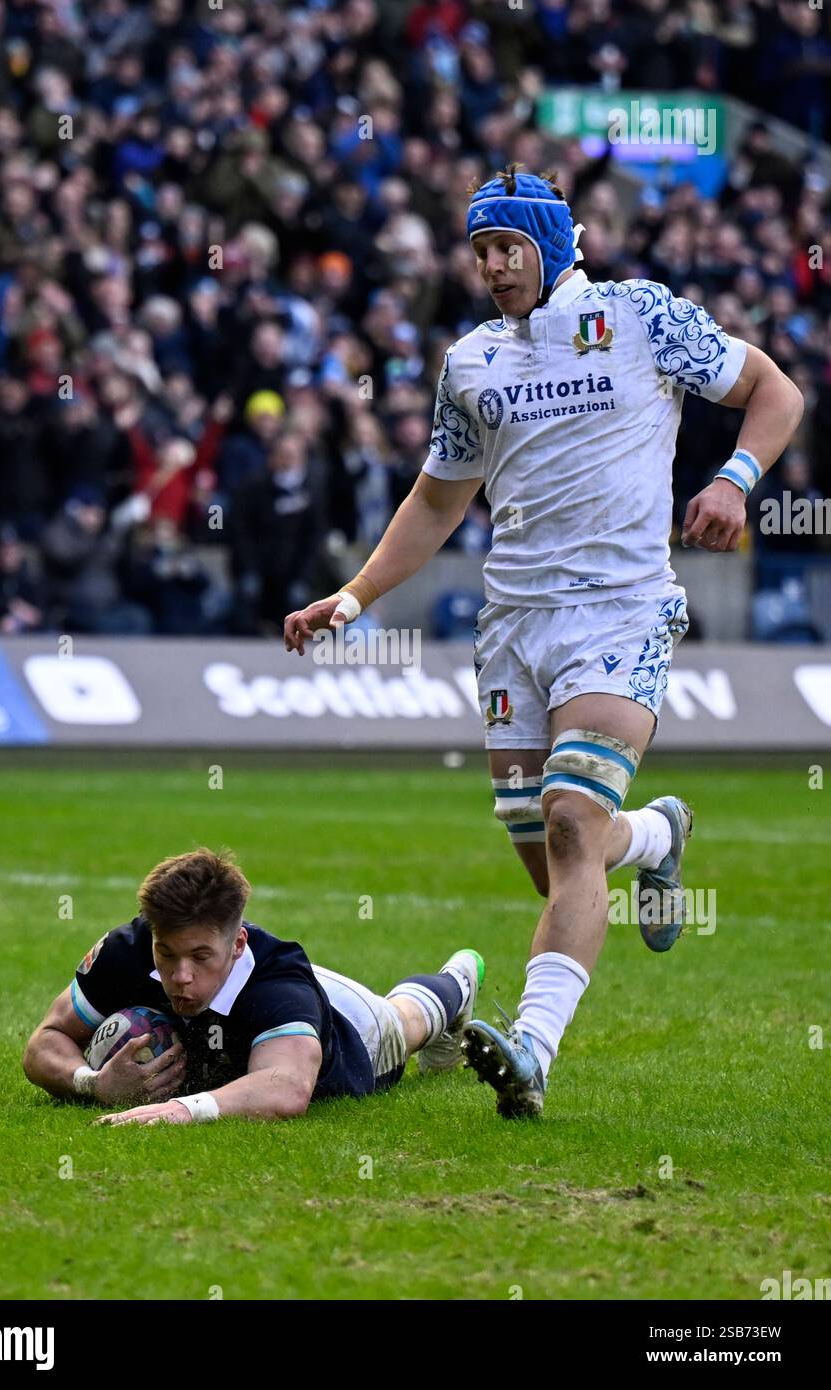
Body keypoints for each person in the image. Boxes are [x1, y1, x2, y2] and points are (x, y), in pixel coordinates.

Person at [284, 164, 804, 1119]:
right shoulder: (471, 362)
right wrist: (352, 598)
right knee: (555, 854)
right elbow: (437, 500)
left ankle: (531, 1048)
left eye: (506, 246)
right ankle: (655, 835)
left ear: (552, 244)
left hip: (623, 607)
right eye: (478, 250)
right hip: (512, 626)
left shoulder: (644, 315)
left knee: (570, 820)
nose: (490, 266)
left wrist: (733, 477)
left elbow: (775, 388)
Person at [22, 848, 484, 1127]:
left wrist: (184, 1110)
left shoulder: (277, 985)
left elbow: (286, 1088)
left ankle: (457, 983)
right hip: (273, 998)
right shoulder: (128, 950)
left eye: (200, 957)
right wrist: (91, 1084)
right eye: (168, 955)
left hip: (347, 1025)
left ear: (237, 943)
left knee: (403, 1020)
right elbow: (46, 1040)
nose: (181, 976)